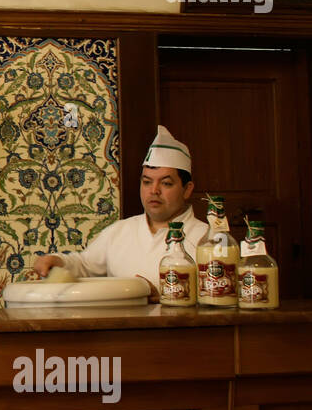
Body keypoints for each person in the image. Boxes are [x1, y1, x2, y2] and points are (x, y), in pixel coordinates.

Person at [32, 125, 208, 300]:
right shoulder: (120, 231)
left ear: (187, 190)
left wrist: (162, 296)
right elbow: (84, 264)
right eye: (147, 182)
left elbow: (215, 299)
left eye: (166, 183)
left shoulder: (205, 239)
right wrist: (57, 261)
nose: (154, 190)